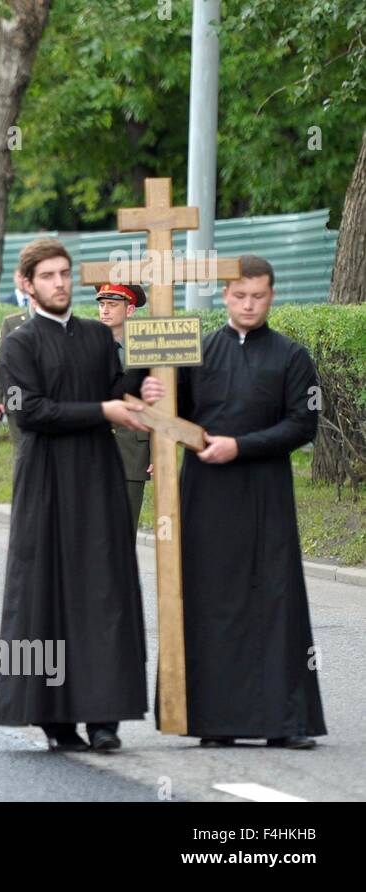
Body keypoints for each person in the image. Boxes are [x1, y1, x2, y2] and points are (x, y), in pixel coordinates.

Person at [141, 254, 326, 749]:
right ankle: (212, 719)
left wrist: (240, 446)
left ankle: (283, 723)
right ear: (224, 294)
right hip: (205, 492)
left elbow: (301, 425)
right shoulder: (197, 351)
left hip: (265, 490)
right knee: (208, 596)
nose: (249, 304)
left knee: (275, 596)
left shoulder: (292, 356)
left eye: (259, 296)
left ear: (272, 295)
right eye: (240, 295)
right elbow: (165, 411)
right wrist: (152, 391)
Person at [0, 238, 152, 753]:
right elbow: (31, 412)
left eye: (64, 274)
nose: (60, 283)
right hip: (45, 480)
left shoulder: (96, 337)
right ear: (27, 284)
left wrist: (146, 377)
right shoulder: (19, 342)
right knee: (46, 592)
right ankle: (53, 716)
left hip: (99, 478)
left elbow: (117, 390)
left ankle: (104, 716)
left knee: (103, 591)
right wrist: (104, 412)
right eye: (48, 276)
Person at [95, 282, 151, 529]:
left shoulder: (147, 348)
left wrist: (159, 450)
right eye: (102, 304)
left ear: (129, 311)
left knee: (125, 527)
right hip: (93, 449)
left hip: (133, 450)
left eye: (113, 305)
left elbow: (160, 403)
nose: (105, 310)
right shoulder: (87, 346)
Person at [0, 267, 33, 424]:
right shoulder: (11, 322)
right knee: (21, 447)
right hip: (17, 397)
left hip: (51, 400)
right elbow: (1, 361)